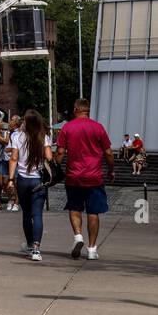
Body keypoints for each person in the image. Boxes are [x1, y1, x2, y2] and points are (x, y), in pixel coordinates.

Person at [55, 98, 114, 261]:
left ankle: (78, 236)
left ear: (75, 109)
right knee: (93, 211)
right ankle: (92, 249)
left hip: (74, 175)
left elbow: (60, 152)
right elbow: (108, 152)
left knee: (74, 208)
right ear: (88, 111)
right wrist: (111, 170)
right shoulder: (98, 127)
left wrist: (55, 168)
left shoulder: (67, 127)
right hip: (94, 176)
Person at [9, 108, 53, 263]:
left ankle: (29, 245)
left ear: (27, 122)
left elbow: (13, 158)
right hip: (38, 180)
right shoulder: (44, 137)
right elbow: (49, 157)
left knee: (26, 214)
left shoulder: (16, 136)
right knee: (37, 215)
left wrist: (10, 179)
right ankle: (36, 248)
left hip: (22, 180)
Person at [4, 115, 21, 211]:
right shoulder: (10, 133)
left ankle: (16, 202)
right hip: (7, 160)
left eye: (12, 120)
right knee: (6, 182)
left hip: (16, 161)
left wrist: (10, 149)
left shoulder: (20, 133)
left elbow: (16, 148)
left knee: (15, 182)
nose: (10, 122)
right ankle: (11, 199)